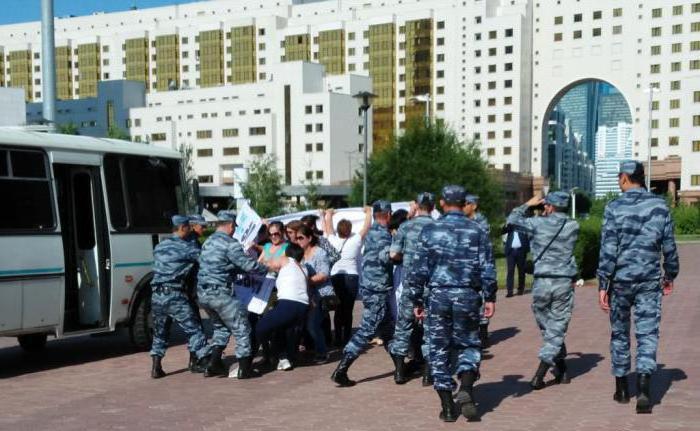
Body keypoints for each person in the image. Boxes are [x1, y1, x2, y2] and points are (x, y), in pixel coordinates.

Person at [405, 185, 496, 422]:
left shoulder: (429, 230)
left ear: (443, 203)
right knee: (468, 344)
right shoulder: (477, 229)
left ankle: (447, 406)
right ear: (464, 202)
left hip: (438, 297)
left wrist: (416, 299)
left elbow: (417, 270)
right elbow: (488, 267)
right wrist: (490, 296)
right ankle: (465, 386)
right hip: (467, 295)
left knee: (438, 349)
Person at [597, 160, 679, 414]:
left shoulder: (614, 207)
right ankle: (643, 388)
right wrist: (670, 274)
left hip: (620, 282)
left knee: (619, 333)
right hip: (648, 281)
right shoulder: (659, 206)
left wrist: (603, 283)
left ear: (624, 177)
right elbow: (669, 247)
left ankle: (621, 390)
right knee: (647, 334)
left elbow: (609, 248)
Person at [507, 191, 579, 390]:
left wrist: (528, 204)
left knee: (548, 326)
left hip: (542, 282)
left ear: (549, 206)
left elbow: (512, 219)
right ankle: (561, 365)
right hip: (563, 281)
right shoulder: (573, 225)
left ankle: (540, 374)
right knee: (555, 328)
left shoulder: (537, 223)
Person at [197, 210, 279, 378]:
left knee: (220, 328)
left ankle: (213, 364)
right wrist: (269, 268)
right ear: (229, 225)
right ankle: (244, 369)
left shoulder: (207, 242)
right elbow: (249, 266)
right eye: (234, 227)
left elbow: (220, 265)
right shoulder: (230, 243)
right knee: (243, 329)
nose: (234, 230)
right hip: (221, 293)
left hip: (203, 294)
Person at [331, 200, 395, 387]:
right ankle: (341, 369)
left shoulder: (371, 232)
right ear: (389, 215)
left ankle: (399, 369)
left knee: (387, 329)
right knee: (367, 329)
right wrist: (400, 254)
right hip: (378, 289)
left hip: (370, 287)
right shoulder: (383, 235)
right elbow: (386, 257)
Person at [149, 215, 211, 379]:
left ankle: (156, 367)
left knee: (160, 333)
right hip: (174, 295)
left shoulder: (160, 246)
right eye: (188, 227)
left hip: (156, 295)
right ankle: (207, 361)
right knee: (194, 330)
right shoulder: (188, 248)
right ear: (183, 228)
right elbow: (206, 261)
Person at [388, 192, 435, 385]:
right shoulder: (439, 227)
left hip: (410, 284)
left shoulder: (405, 227)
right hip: (432, 286)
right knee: (431, 329)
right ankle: (427, 373)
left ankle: (399, 371)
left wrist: (407, 258)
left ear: (416, 205)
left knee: (403, 326)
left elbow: (393, 254)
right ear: (432, 207)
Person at [255, 243, 310, 371]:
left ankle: (268, 356)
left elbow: (268, 265)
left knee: (261, 327)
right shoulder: (303, 268)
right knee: (282, 330)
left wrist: (260, 261)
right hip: (303, 307)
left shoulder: (286, 260)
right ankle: (284, 358)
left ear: (287, 253)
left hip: (288, 304)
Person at [324, 207, 372, 347]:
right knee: (348, 308)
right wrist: (368, 212)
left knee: (338, 308)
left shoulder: (331, 240)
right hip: (351, 277)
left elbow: (328, 228)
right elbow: (366, 227)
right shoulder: (356, 239)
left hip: (336, 276)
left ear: (338, 230)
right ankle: (347, 337)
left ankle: (337, 337)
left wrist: (329, 214)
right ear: (350, 230)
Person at [297, 224, 333, 364]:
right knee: (306, 325)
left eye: (301, 238)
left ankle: (323, 353)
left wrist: (304, 280)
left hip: (321, 295)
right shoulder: (300, 255)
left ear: (309, 238)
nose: (298, 241)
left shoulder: (320, 253)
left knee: (313, 325)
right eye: (297, 238)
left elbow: (324, 275)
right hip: (306, 295)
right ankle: (313, 349)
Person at [464, 194, 495, 348]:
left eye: (466, 204)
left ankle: (483, 333)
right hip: (464, 269)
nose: (463, 207)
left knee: (481, 299)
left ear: (473, 206)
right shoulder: (462, 221)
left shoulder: (480, 222)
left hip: (478, 267)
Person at [503, 222, 529, 297]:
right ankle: (510, 291)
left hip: (521, 251)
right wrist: (507, 224)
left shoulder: (523, 225)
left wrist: (526, 250)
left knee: (521, 271)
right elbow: (503, 231)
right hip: (511, 252)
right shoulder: (509, 226)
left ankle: (520, 289)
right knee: (510, 271)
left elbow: (527, 237)